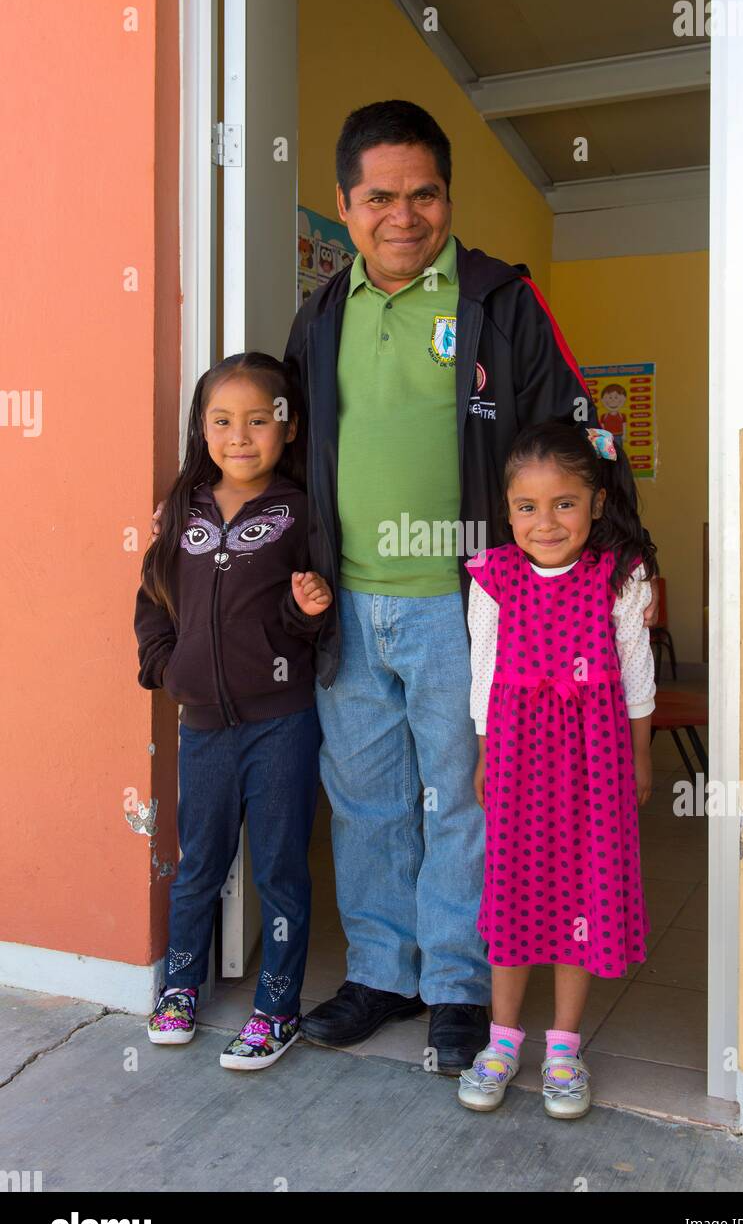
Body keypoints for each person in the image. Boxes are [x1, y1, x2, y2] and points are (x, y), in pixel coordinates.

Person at [284, 99, 659, 1073]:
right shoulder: (321, 315)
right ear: (344, 202)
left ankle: (453, 982)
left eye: (422, 195)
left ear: (446, 196)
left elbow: (584, 437)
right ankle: (380, 971)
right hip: (348, 605)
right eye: (378, 198)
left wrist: (631, 562)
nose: (401, 216)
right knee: (365, 799)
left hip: (471, 604)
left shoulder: (500, 301)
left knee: (459, 798)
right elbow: (286, 457)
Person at [134, 353, 332, 1070]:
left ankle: (276, 1008)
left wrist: (304, 611)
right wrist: (165, 666)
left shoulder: (299, 511)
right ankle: (180, 986)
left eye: (258, 420)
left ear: (288, 427)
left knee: (280, 867)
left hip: (281, 721)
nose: (240, 436)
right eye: (222, 421)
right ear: (201, 428)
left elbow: (297, 616)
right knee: (199, 864)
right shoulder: (181, 509)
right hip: (203, 727)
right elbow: (153, 597)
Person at [457, 419, 657, 1118]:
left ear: (596, 503)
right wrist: (484, 754)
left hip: (596, 758)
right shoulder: (494, 578)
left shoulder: (618, 576)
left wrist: (639, 753)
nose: (545, 522)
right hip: (516, 754)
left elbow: (636, 673)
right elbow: (483, 674)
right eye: (526, 507)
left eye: (564, 504)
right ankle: (502, 1040)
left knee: (583, 893)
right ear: (507, 509)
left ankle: (563, 1048)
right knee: (514, 890)